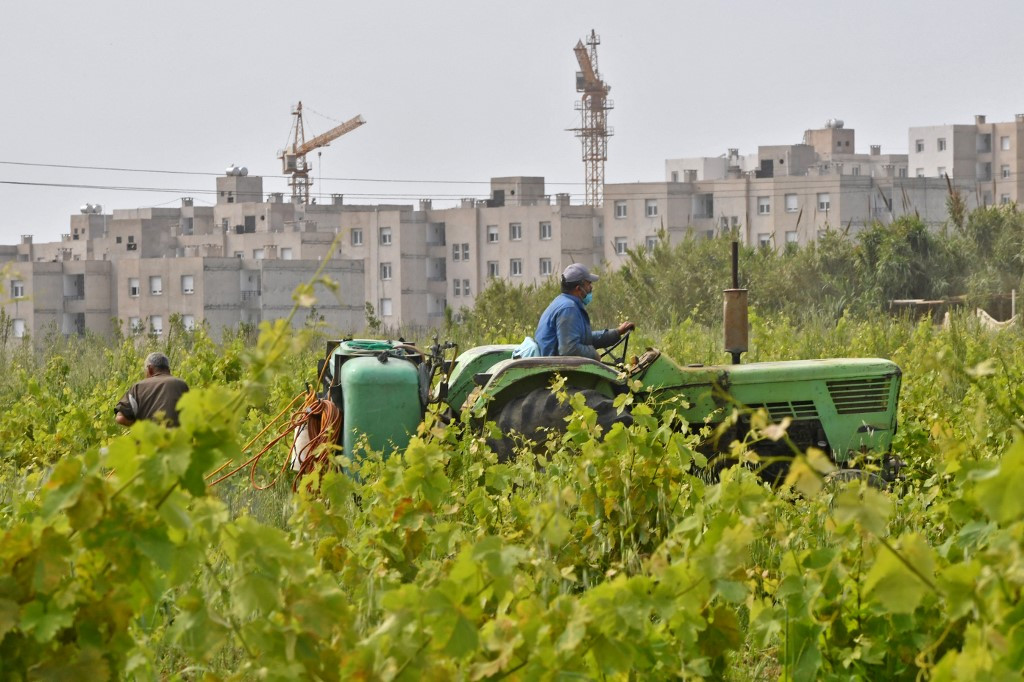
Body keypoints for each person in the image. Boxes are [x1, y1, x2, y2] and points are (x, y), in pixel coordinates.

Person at [533, 263, 634, 360]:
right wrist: (593, 354)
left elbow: (584, 339)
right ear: (578, 289)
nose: (591, 287)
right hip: (555, 370)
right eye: (588, 283)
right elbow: (569, 349)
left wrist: (616, 333)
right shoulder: (568, 309)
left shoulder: (563, 302)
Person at [114, 352, 190, 427]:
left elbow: (120, 418)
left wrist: (139, 426)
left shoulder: (138, 387)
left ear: (150, 369)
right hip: (178, 438)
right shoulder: (182, 385)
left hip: (149, 438)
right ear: (168, 369)